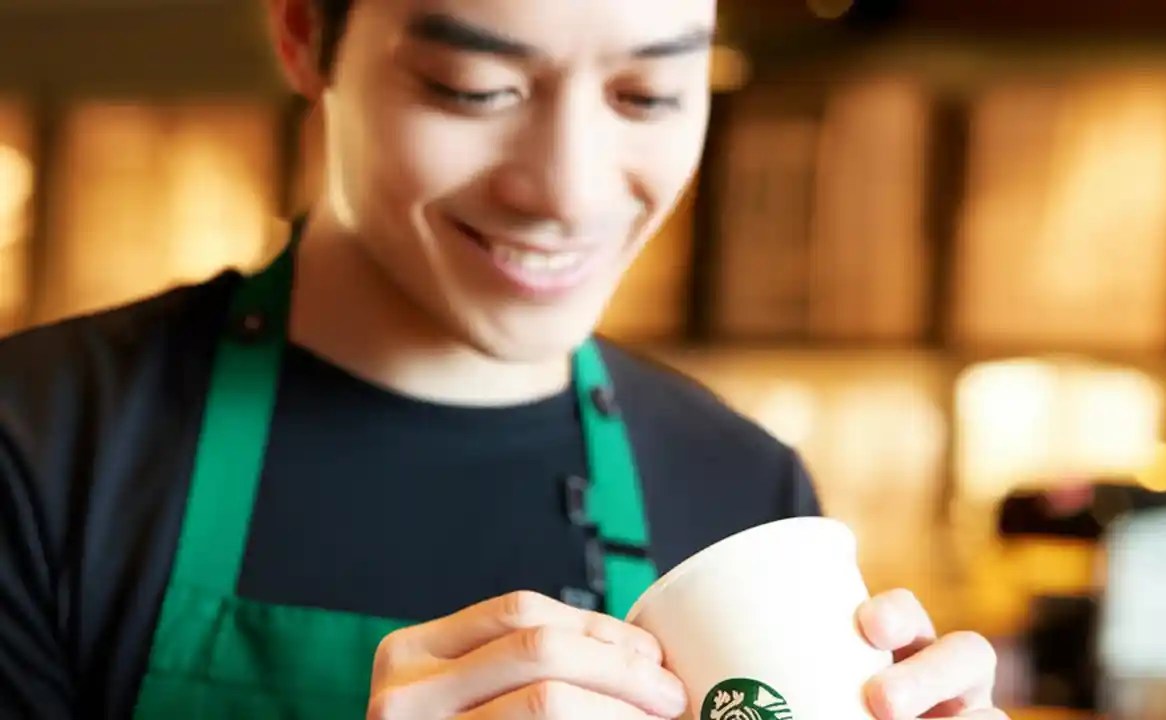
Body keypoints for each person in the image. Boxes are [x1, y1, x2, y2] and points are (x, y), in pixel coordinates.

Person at [0, 0, 1006, 718]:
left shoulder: (745, 487)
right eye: (471, 87)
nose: (566, 190)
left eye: (648, 92)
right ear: (307, 36)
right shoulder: (39, 444)